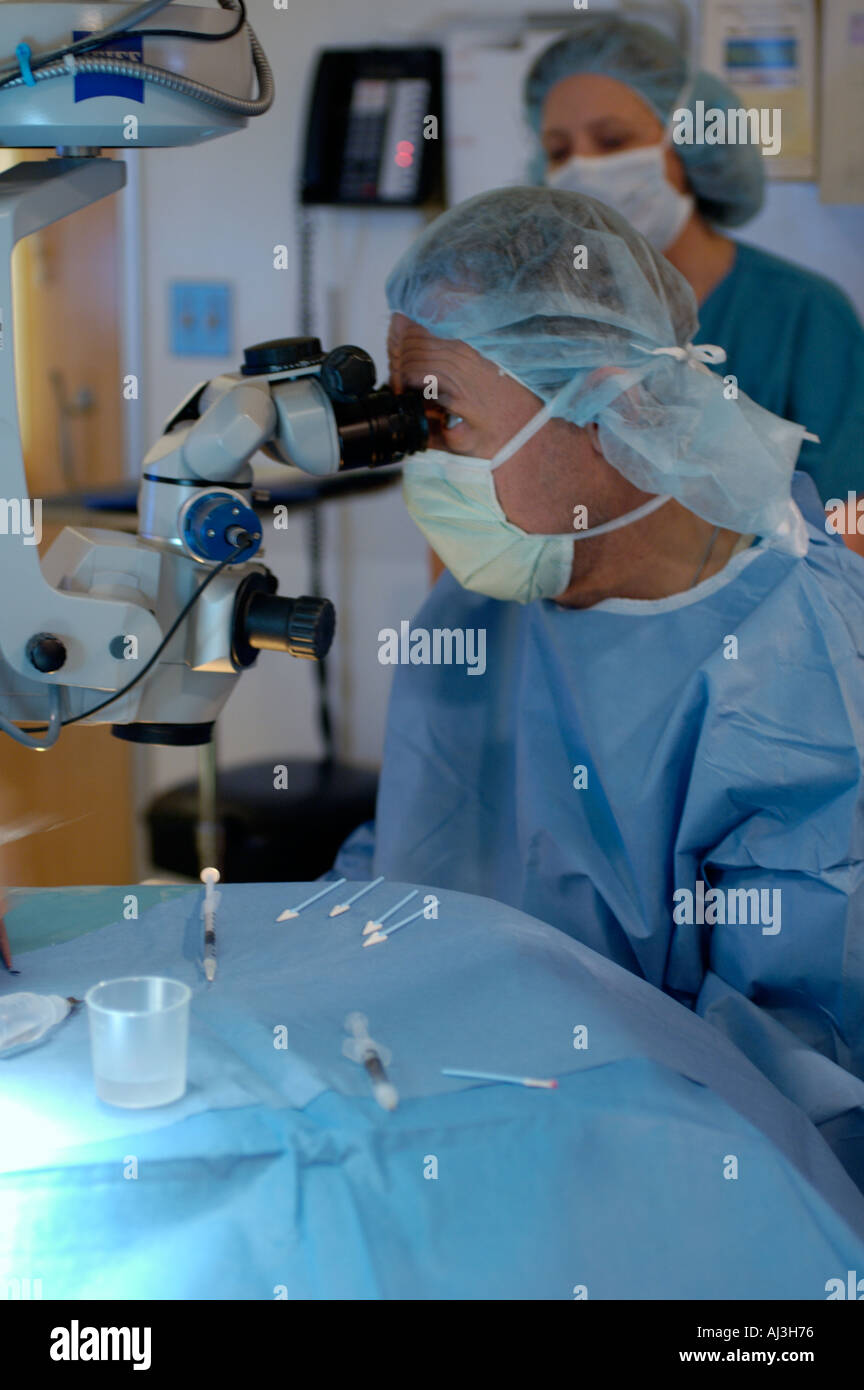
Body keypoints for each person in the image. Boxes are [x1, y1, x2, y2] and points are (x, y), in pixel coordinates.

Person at [333, 186, 864, 1190]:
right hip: (443, 1141)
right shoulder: (480, 612)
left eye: (440, 418)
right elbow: (400, 878)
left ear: (606, 402)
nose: (419, 466)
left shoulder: (800, 680)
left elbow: (801, 1095)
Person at [523, 14, 864, 553]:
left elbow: (854, 521)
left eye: (612, 141)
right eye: (560, 152)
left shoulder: (802, 315)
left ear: (690, 143)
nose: (583, 170)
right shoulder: (545, 324)